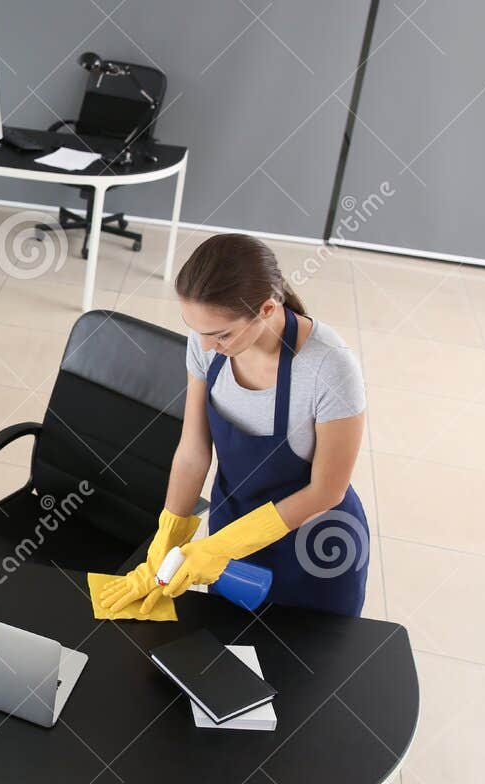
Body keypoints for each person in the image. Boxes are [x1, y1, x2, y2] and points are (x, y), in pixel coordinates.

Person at [99, 233, 369, 617]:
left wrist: (220, 548)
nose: (206, 346)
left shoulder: (329, 367)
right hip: (232, 524)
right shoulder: (207, 344)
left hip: (315, 551)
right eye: (199, 331)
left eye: (221, 334)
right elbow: (193, 451)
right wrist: (170, 533)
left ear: (266, 309)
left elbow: (327, 490)